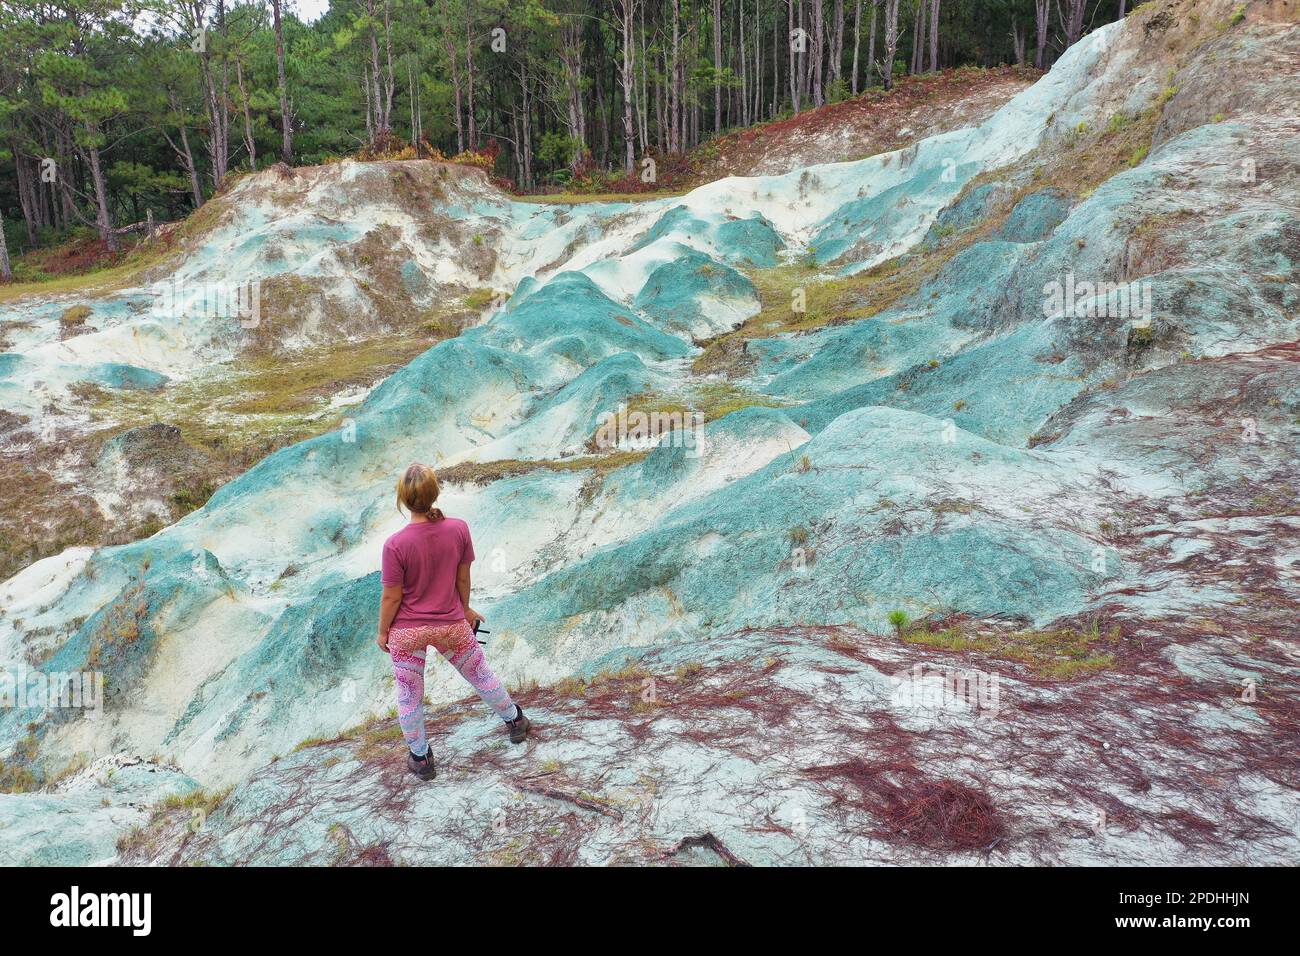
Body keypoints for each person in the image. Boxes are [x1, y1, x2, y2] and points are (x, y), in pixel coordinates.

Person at [377, 463, 529, 780]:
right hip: (451, 624)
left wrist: (383, 633)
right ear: (435, 494)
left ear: (403, 500)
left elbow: (391, 597)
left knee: (409, 695)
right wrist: (467, 610)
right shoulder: (458, 529)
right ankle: (515, 722)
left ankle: (421, 758)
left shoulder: (395, 544)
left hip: (407, 632)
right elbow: (462, 577)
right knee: (480, 674)